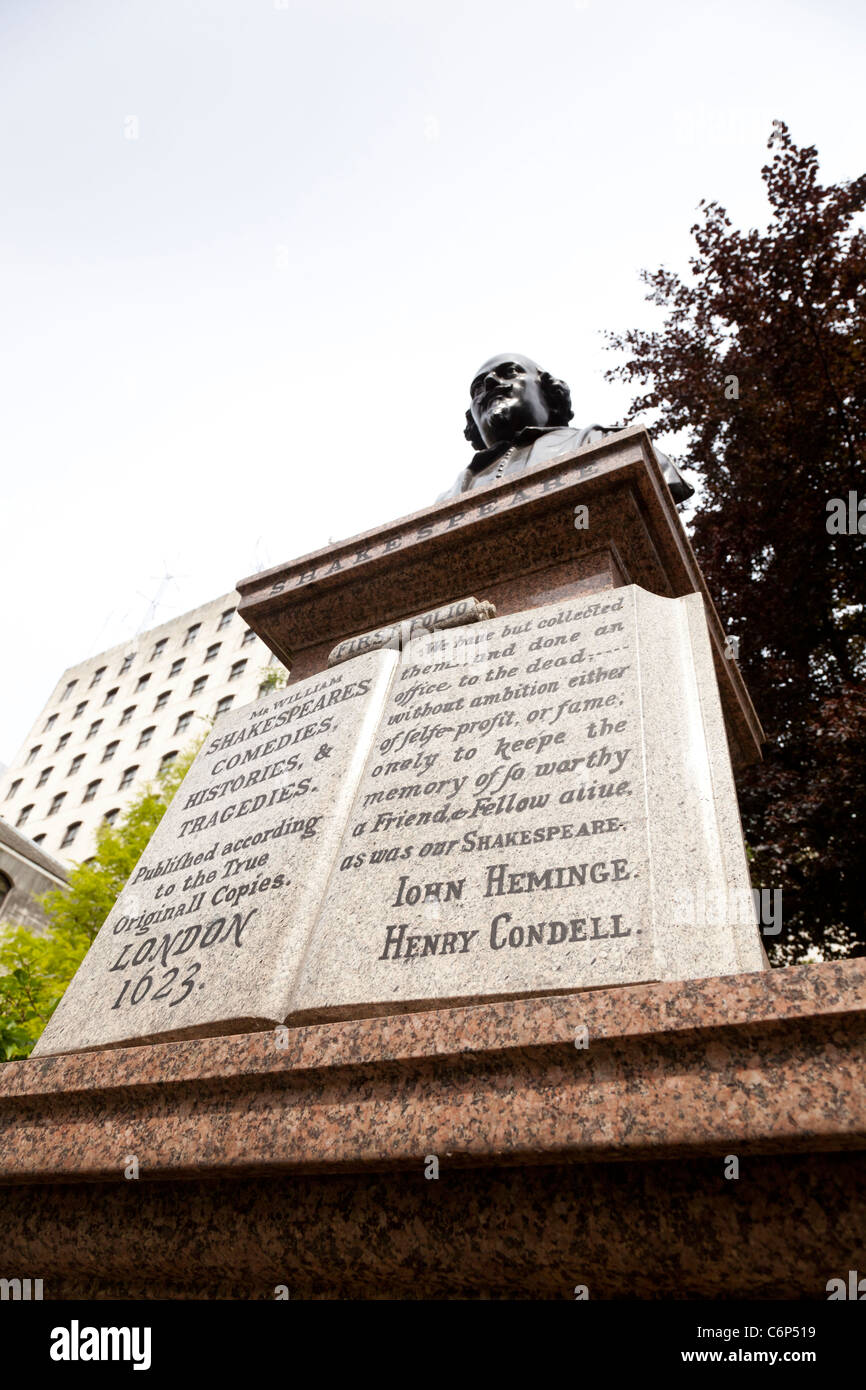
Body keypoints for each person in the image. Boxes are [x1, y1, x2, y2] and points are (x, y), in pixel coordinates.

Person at [438, 352, 693, 503]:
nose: (492, 382)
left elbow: (661, 482)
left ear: (548, 391)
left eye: (510, 372)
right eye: (478, 388)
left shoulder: (604, 442)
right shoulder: (451, 495)